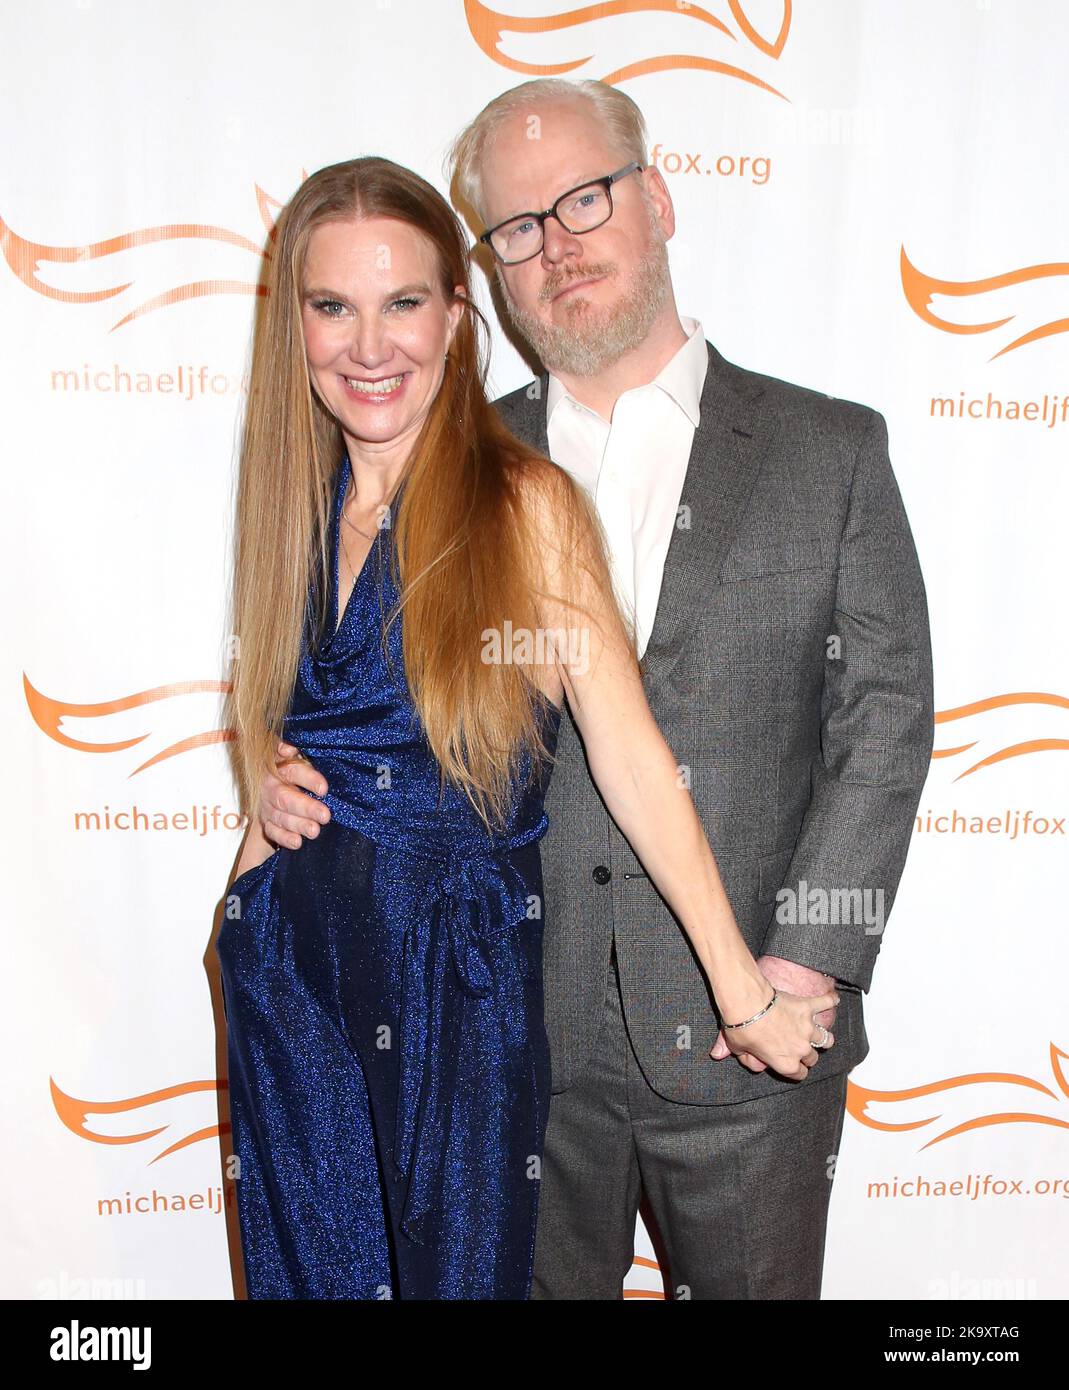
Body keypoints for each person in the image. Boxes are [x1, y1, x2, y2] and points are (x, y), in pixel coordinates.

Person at [261, 81, 935, 1302]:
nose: (556, 242)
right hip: (512, 1039)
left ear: (659, 198)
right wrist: (288, 778)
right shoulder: (457, 457)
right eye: (517, 227)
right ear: (492, 278)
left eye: (582, 198)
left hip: (752, 1049)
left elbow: (881, 730)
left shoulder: (826, 450)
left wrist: (803, 965)